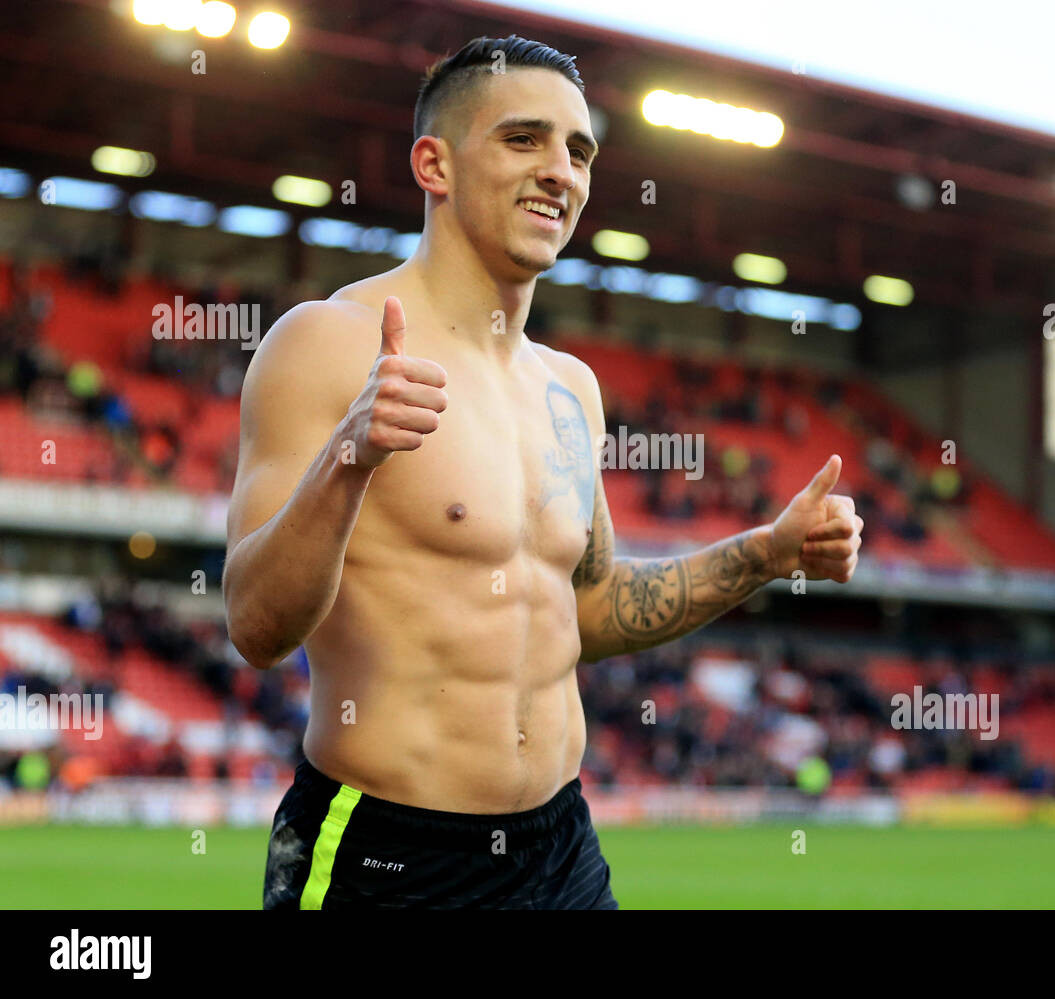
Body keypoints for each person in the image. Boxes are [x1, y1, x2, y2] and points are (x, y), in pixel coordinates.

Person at [224, 34, 862, 910]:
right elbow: (256, 625)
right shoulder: (327, 341)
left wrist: (765, 552)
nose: (560, 170)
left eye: (579, 149)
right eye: (523, 139)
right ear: (434, 164)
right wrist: (350, 456)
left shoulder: (572, 387)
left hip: (561, 848)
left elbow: (590, 608)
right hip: (390, 855)